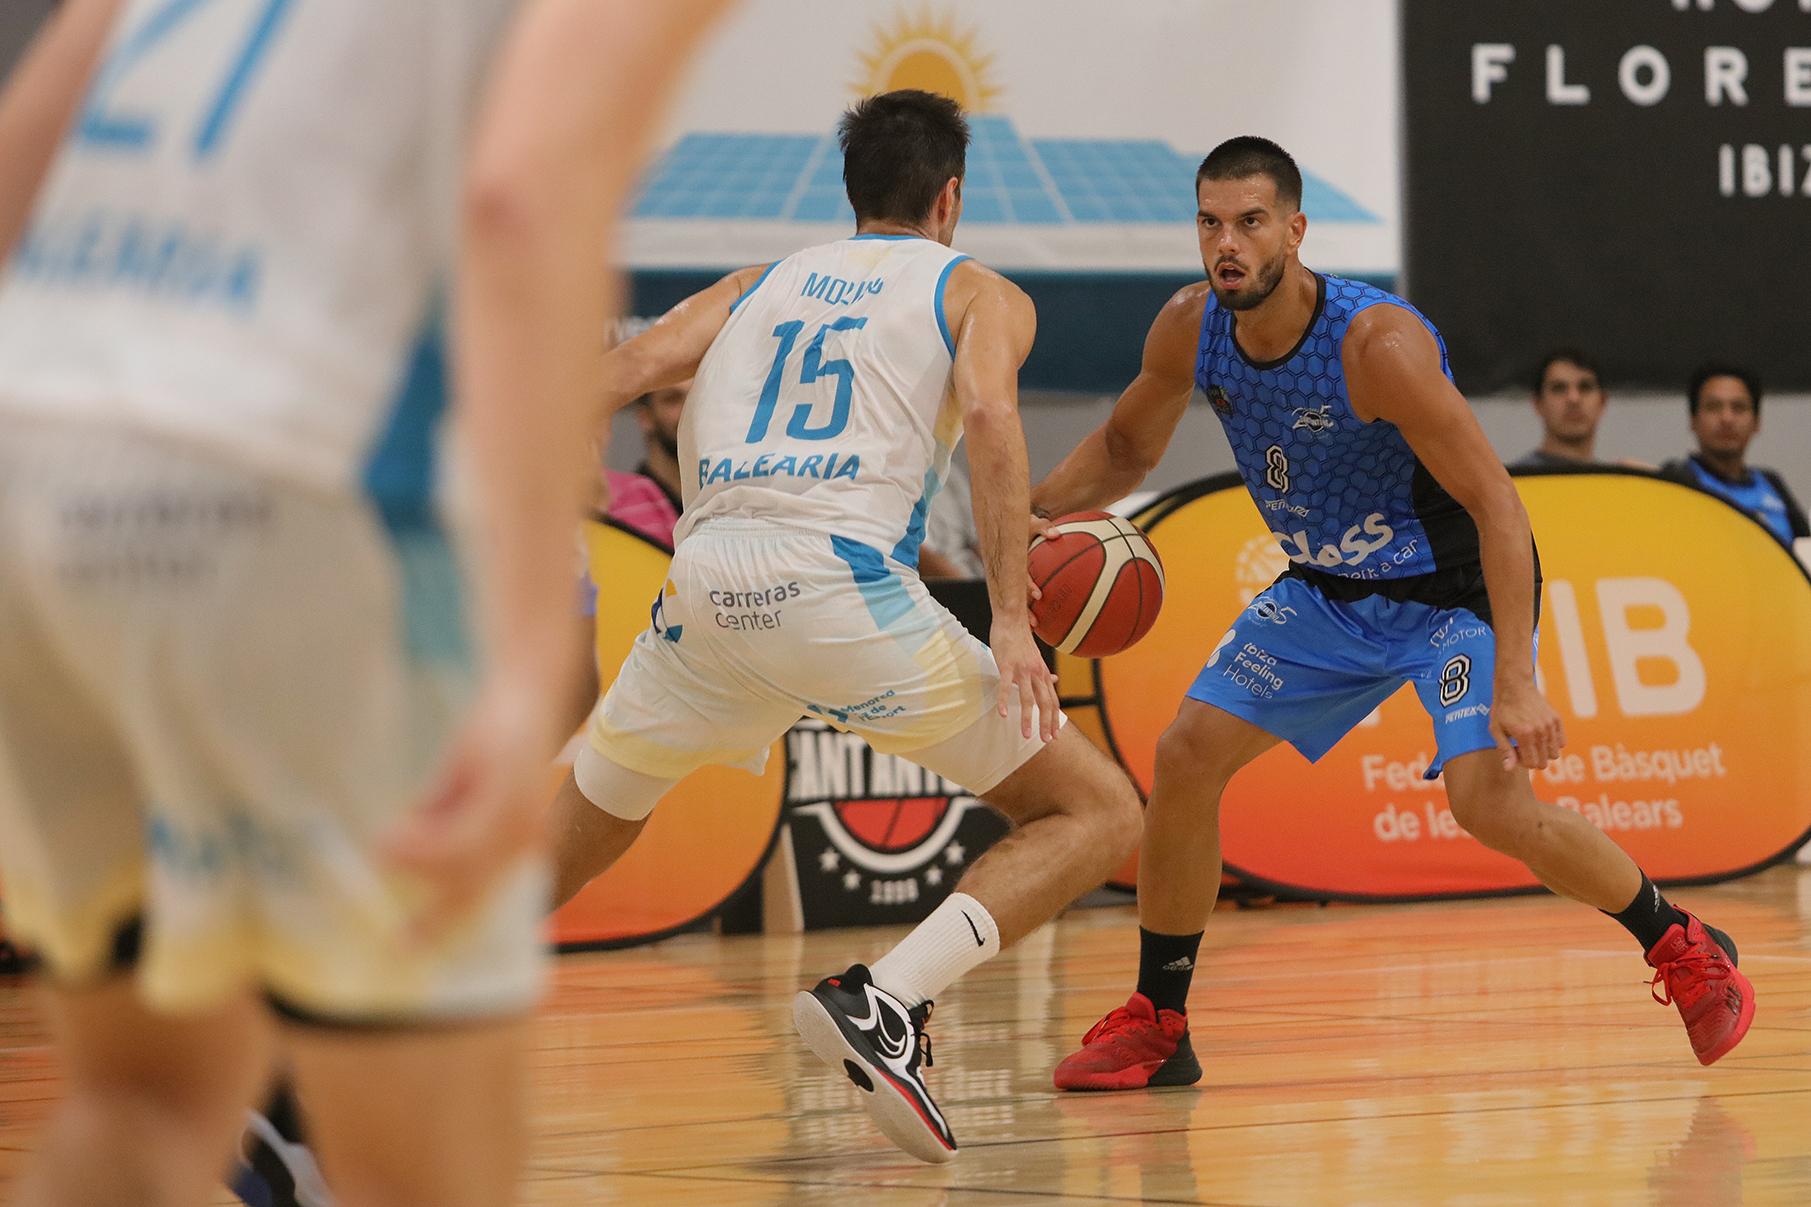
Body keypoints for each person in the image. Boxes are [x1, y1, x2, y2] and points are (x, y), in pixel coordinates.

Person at [0, 3, 728, 1205]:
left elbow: (24, 148)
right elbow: (523, 192)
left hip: (38, 468)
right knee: (422, 1178)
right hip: (299, 488)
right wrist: (525, 654)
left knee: (139, 1108)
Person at [1027, 136, 1755, 1092]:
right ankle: (1160, 1020)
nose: (1226, 245)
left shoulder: (1376, 347)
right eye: (1209, 223)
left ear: (1294, 227)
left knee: (1485, 803)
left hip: (1446, 591)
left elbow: (1499, 503)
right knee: (1183, 755)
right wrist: (1028, 515)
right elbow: (1125, 447)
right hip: (1324, 589)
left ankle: (1680, 940)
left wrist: (1518, 675)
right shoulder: (1189, 327)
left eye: (1248, 222)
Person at [547, 89, 1141, 1163]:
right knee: (1094, 812)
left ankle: (396, 995)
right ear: (949, 196)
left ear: (851, 192)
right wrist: (1010, 617)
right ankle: (888, 998)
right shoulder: (978, 292)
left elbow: (618, 373)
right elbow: (995, 421)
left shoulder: (755, 284)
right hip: (836, 587)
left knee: (584, 822)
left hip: (706, 583)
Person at [1658, 362, 1809, 547]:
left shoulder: (1771, 483)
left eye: (1738, 408)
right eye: (1713, 407)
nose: (1727, 419)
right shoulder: (1676, 479)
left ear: (1757, 422)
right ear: (1693, 420)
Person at [602, 380, 688, 547]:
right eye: (672, 399)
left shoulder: (725, 500)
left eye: (697, 397)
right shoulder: (620, 507)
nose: (690, 409)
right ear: (645, 418)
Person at [1512, 348, 1611, 469]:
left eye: (1585, 387)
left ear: (1603, 402)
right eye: (1559, 388)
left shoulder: (1617, 483)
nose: (1573, 399)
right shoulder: (1515, 483)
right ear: (1538, 404)